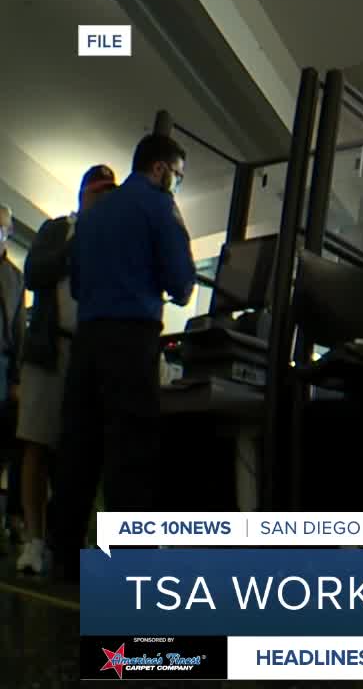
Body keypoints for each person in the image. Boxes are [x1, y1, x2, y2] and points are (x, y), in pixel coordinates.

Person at [49, 135, 195, 579]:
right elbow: (183, 283)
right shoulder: (158, 207)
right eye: (178, 175)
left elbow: (75, 286)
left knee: (79, 451)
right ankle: (128, 567)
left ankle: (64, 561)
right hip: (131, 341)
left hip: (87, 341)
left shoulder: (91, 217)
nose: (176, 184)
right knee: (129, 455)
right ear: (159, 169)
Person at [13, 165, 115, 575]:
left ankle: (79, 538)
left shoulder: (113, 238)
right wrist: (74, 247)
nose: (102, 201)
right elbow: (35, 274)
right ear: (81, 195)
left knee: (87, 451)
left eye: (109, 194)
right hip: (48, 348)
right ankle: (35, 541)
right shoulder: (56, 230)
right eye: (96, 193)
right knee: (36, 443)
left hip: (90, 353)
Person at [0, 203, 25, 558]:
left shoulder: (14, 275)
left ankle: (12, 519)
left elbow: (18, 327)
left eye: (4, 228)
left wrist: (18, 376)